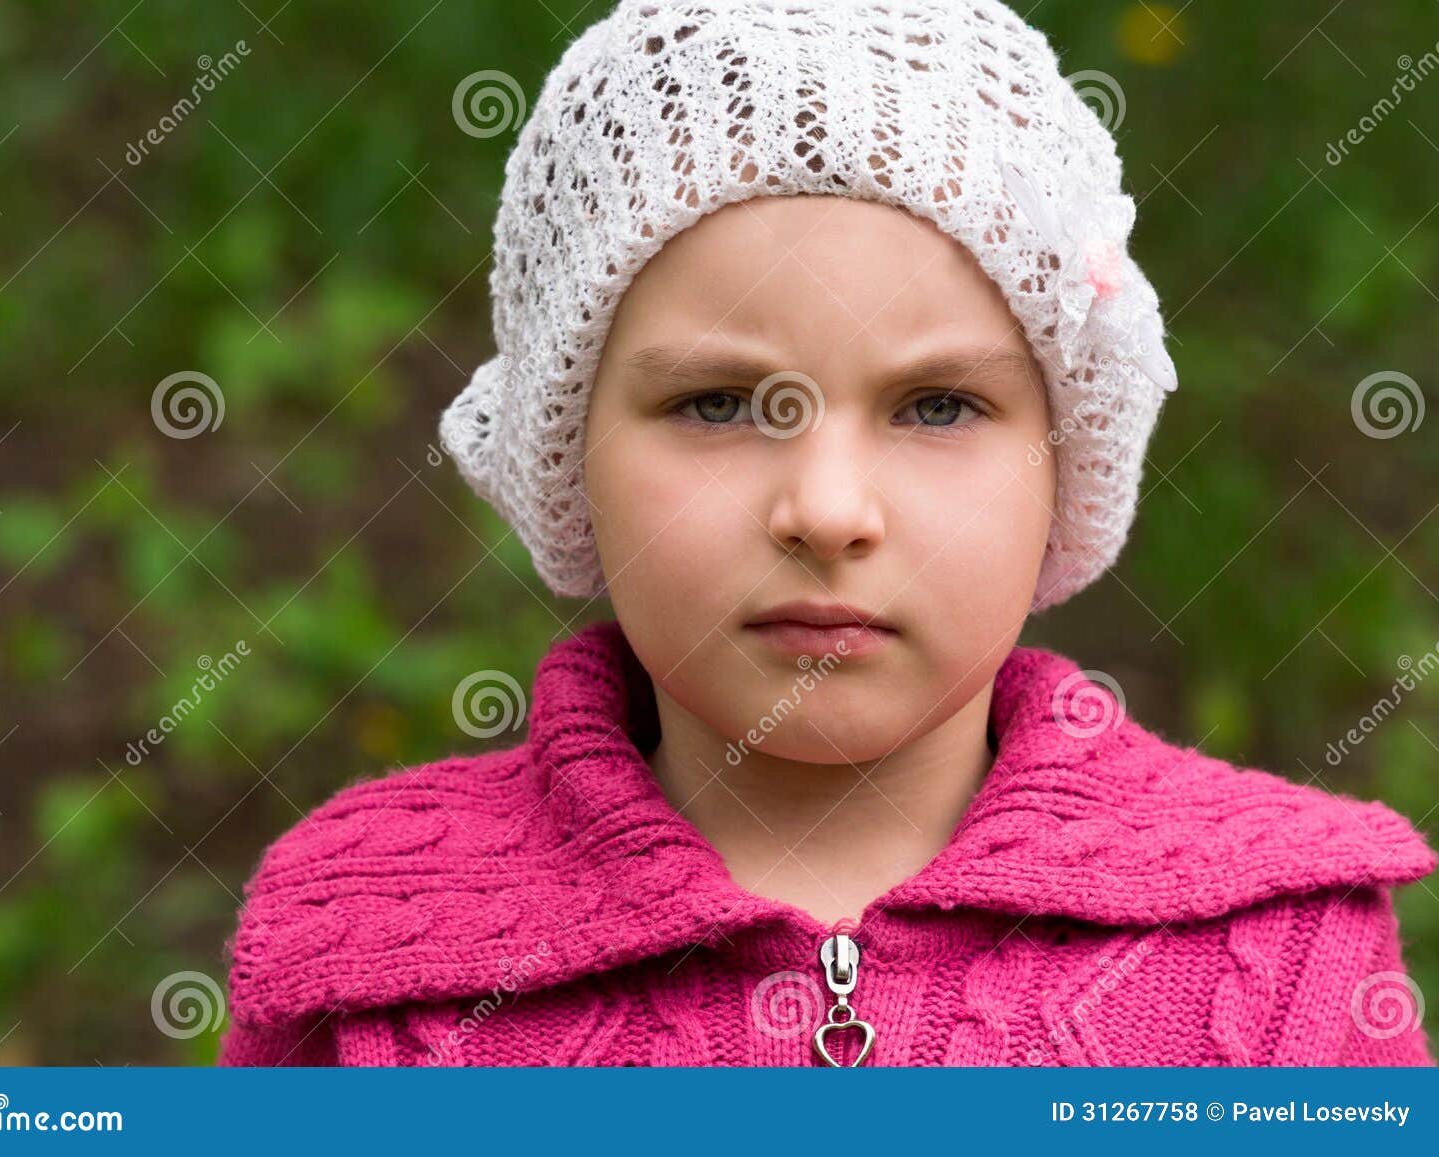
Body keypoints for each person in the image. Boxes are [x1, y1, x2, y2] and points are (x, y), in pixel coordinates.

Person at [217, 0, 1435, 1067]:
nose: (829, 512)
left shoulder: (1280, 949)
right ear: (564, 448)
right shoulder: (370, 956)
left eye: (938, 405)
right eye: (717, 404)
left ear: (1068, 459)